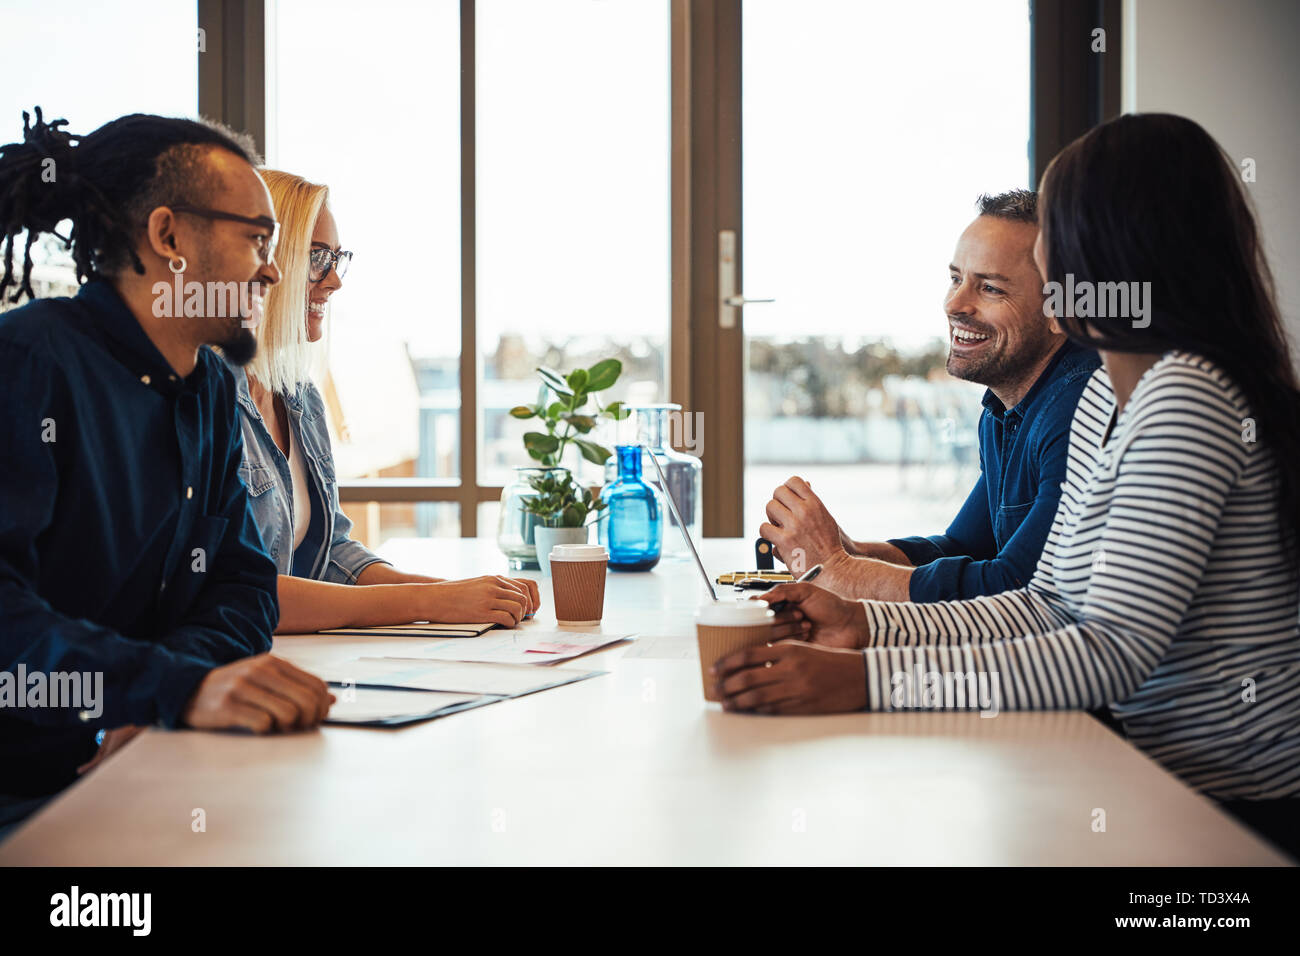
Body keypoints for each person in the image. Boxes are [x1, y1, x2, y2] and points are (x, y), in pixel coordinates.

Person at [716, 113, 1300, 854]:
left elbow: (1108, 652)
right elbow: (1049, 605)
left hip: (1227, 806)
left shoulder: (1188, 396)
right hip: (1135, 767)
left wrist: (870, 680)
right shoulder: (1103, 398)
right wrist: (865, 628)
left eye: (1052, 230)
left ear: (1105, 249)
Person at [0, 110, 334, 835]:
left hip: (147, 771)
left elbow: (241, 589)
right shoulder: (28, 363)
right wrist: (163, 691)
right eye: (256, 239)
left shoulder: (211, 387)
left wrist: (159, 699)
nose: (273, 269)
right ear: (168, 238)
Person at [230, 169, 540, 633]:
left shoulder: (300, 398)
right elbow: (243, 590)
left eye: (337, 258)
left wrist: (459, 594)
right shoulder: (208, 405)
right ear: (265, 263)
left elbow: (330, 552)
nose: (334, 280)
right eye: (316, 257)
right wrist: (435, 600)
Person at [761, 190, 1100, 602]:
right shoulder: (1004, 407)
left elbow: (1018, 591)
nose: (955, 304)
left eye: (990, 288)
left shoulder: (1082, 407)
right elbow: (962, 548)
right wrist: (846, 551)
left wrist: (840, 571)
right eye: (956, 279)